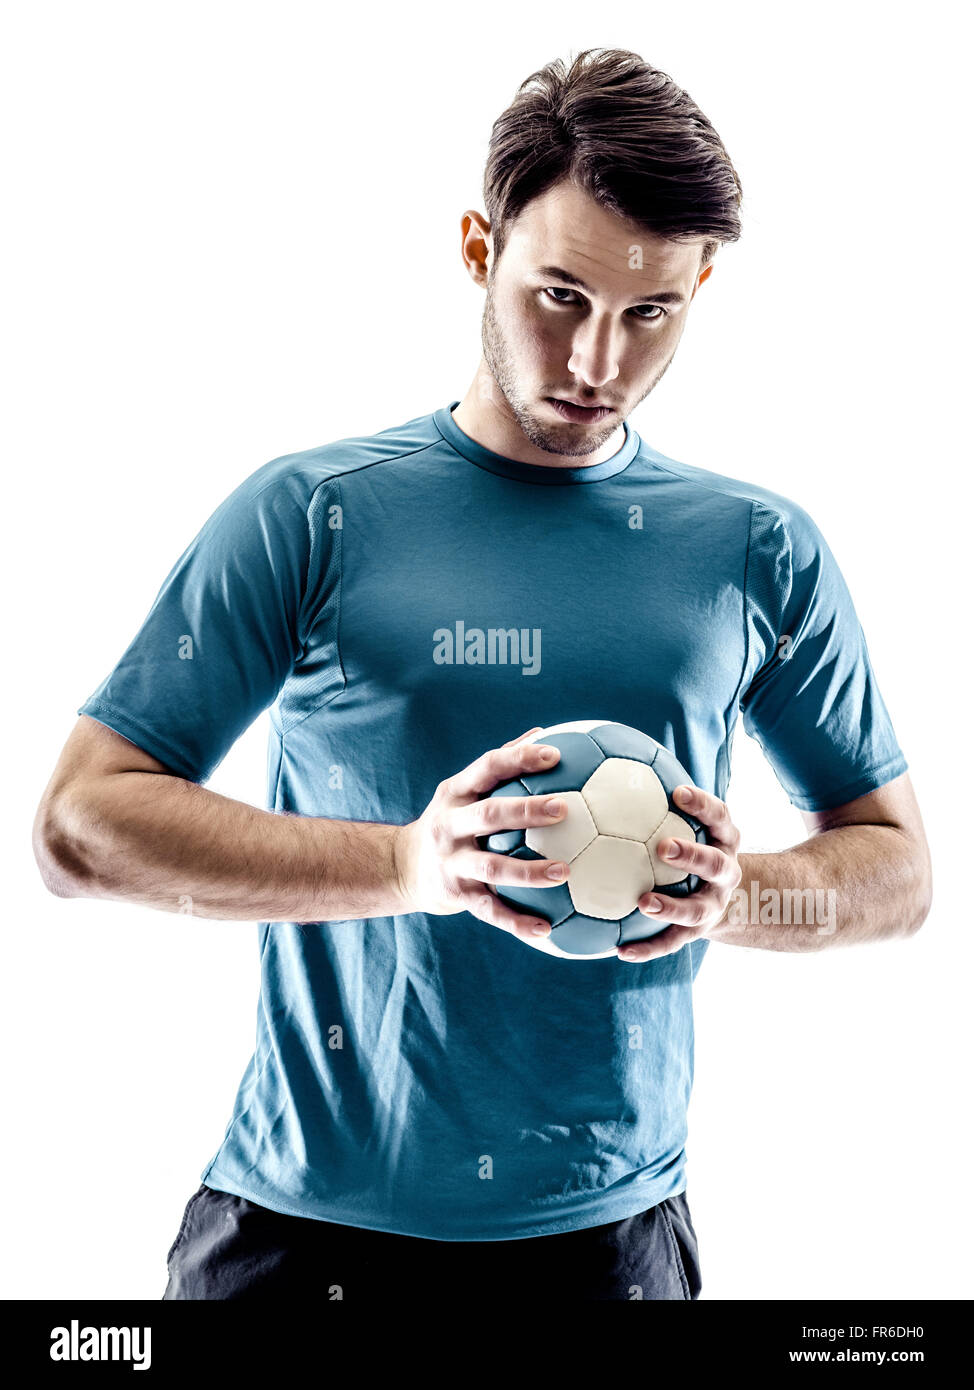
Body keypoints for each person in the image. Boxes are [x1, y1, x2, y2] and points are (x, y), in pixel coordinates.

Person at [32, 47, 932, 1302]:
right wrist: (409, 865)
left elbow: (894, 868)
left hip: (612, 1249)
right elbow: (81, 825)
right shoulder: (313, 513)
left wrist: (734, 896)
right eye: (558, 293)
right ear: (477, 247)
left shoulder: (754, 548)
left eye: (650, 313)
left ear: (701, 285)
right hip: (300, 1241)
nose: (595, 361)